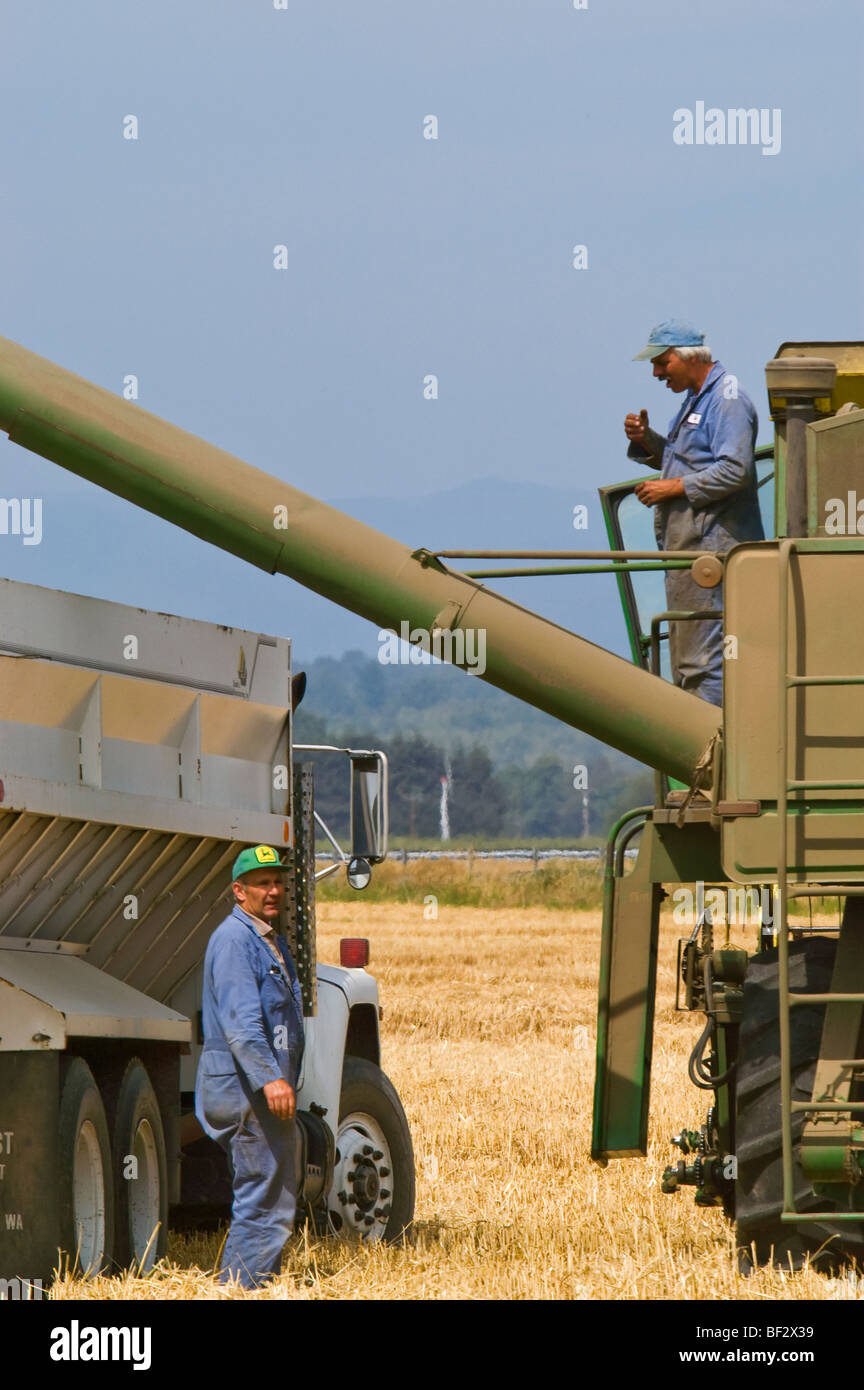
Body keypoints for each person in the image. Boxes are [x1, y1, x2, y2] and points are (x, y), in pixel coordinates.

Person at [624, 319, 764, 706]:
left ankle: (716, 752)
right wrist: (646, 441)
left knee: (706, 662)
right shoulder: (699, 398)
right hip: (692, 553)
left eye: (661, 363)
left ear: (686, 358)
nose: (656, 373)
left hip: (713, 552)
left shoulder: (727, 399)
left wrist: (672, 487)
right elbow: (688, 462)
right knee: (690, 663)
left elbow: (736, 470)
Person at [195, 844, 305, 1288]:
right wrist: (271, 1079)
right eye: (262, 883)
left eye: (278, 881)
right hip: (247, 1091)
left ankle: (254, 1283)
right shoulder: (236, 940)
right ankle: (242, 1289)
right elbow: (242, 1023)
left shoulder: (263, 939)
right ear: (239, 891)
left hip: (248, 1089)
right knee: (265, 1197)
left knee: (265, 1192)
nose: (274, 890)